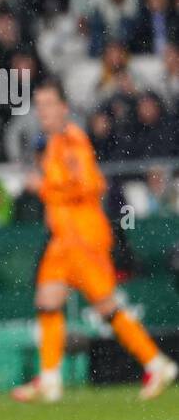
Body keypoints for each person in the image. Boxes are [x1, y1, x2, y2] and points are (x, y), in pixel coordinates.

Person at [13, 81, 177, 402]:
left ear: (63, 108)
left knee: (107, 308)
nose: (43, 111)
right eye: (39, 105)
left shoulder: (72, 140)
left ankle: (157, 364)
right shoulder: (55, 143)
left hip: (82, 237)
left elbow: (91, 185)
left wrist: (43, 187)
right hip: (63, 238)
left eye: (49, 104)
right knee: (47, 301)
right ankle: (50, 379)